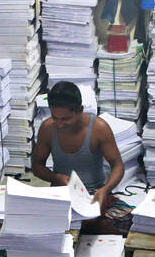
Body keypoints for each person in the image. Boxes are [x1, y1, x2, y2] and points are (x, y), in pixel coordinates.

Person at [31, 80, 132, 235]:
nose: (60, 124)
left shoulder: (99, 128)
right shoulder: (48, 128)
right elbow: (37, 166)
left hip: (96, 194)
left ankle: (86, 225)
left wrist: (105, 190)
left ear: (80, 110)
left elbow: (117, 165)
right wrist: (57, 177)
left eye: (66, 119)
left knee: (128, 222)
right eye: (55, 117)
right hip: (62, 195)